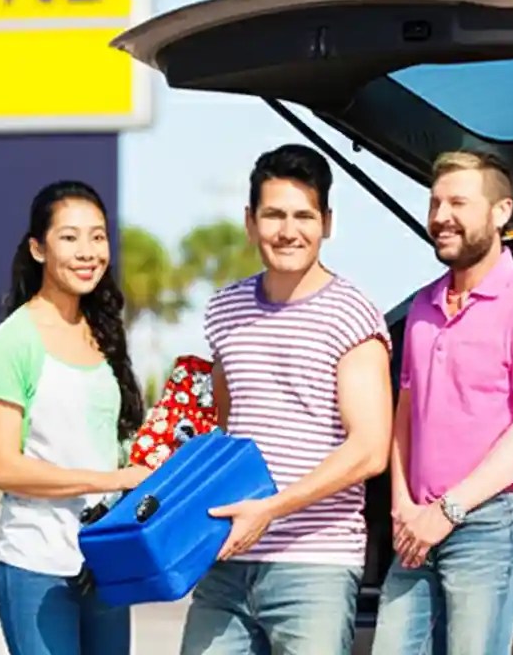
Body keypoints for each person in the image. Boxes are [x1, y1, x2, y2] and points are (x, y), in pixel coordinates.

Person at [179, 144, 394, 655]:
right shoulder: (224, 310)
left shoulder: (352, 315)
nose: (288, 231)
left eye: (304, 216)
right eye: (274, 215)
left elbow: (369, 449)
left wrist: (269, 510)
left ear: (327, 224)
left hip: (313, 566)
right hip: (226, 560)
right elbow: (228, 430)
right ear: (250, 222)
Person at [370, 150, 513, 655]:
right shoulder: (422, 306)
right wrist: (403, 505)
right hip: (418, 525)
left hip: (490, 523)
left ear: (501, 211)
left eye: (458, 202)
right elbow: (405, 416)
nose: (440, 217)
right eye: (435, 203)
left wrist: (450, 509)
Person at [0, 180, 152, 655]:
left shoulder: (104, 333)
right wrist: (109, 477)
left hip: (106, 560)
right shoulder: (13, 343)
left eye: (98, 237)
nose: (88, 251)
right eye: (70, 237)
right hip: (38, 564)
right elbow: (5, 467)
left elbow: (111, 440)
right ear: (38, 248)